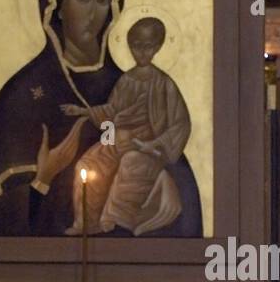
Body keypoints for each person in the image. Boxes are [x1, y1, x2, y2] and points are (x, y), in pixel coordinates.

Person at [0, 0, 202, 238]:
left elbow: (175, 158)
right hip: (46, 262)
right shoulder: (22, 93)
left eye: (102, 0)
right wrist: (44, 177)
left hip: (126, 255)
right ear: (56, 7)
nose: (93, 12)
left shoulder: (135, 83)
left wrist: (157, 169)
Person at [62, 16, 192, 237]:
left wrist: (154, 145)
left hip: (147, 148)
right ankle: (87, 223)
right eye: (135, 46)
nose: (140, 52)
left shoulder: (164, 84)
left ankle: (115, 222)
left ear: (158, 47)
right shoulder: (126, 80)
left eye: (147, 47)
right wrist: (85, 112)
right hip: (119, 141)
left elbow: (180, 123)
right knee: (88, 162)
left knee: (131, 162)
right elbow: (113, 111)